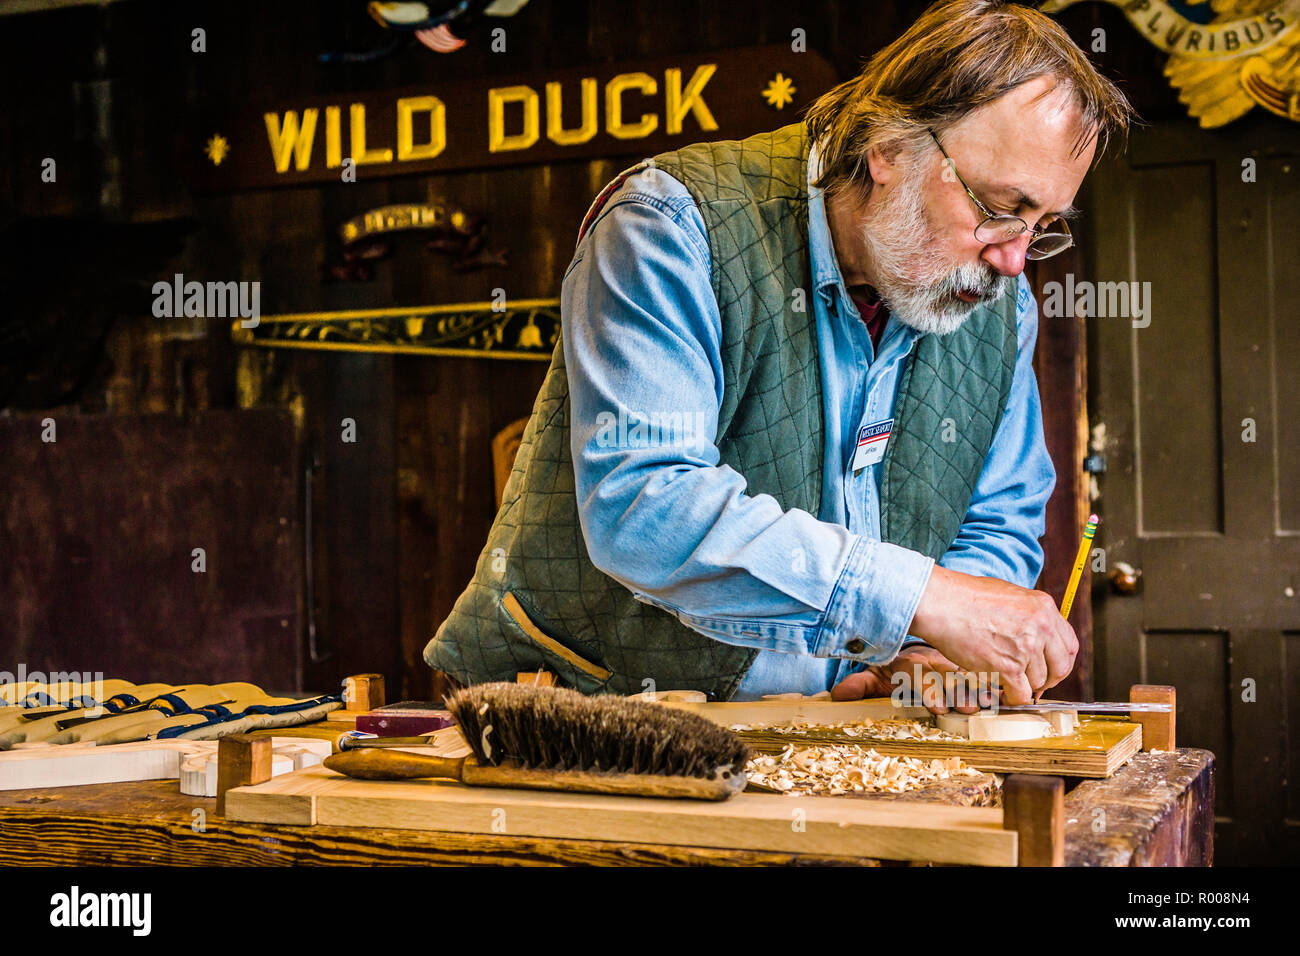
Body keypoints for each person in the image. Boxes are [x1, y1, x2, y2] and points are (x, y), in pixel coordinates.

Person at [424, 0, 1135, 709]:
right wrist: (922, 599)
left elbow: (997, 517)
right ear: (889, 149)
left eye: (1042, 226)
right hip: (581, 717)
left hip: (829, 729)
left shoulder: (999, 303)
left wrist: (929, 650)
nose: (1015, 261)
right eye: (998, 207)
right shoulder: (669, 226)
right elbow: (646, 502)